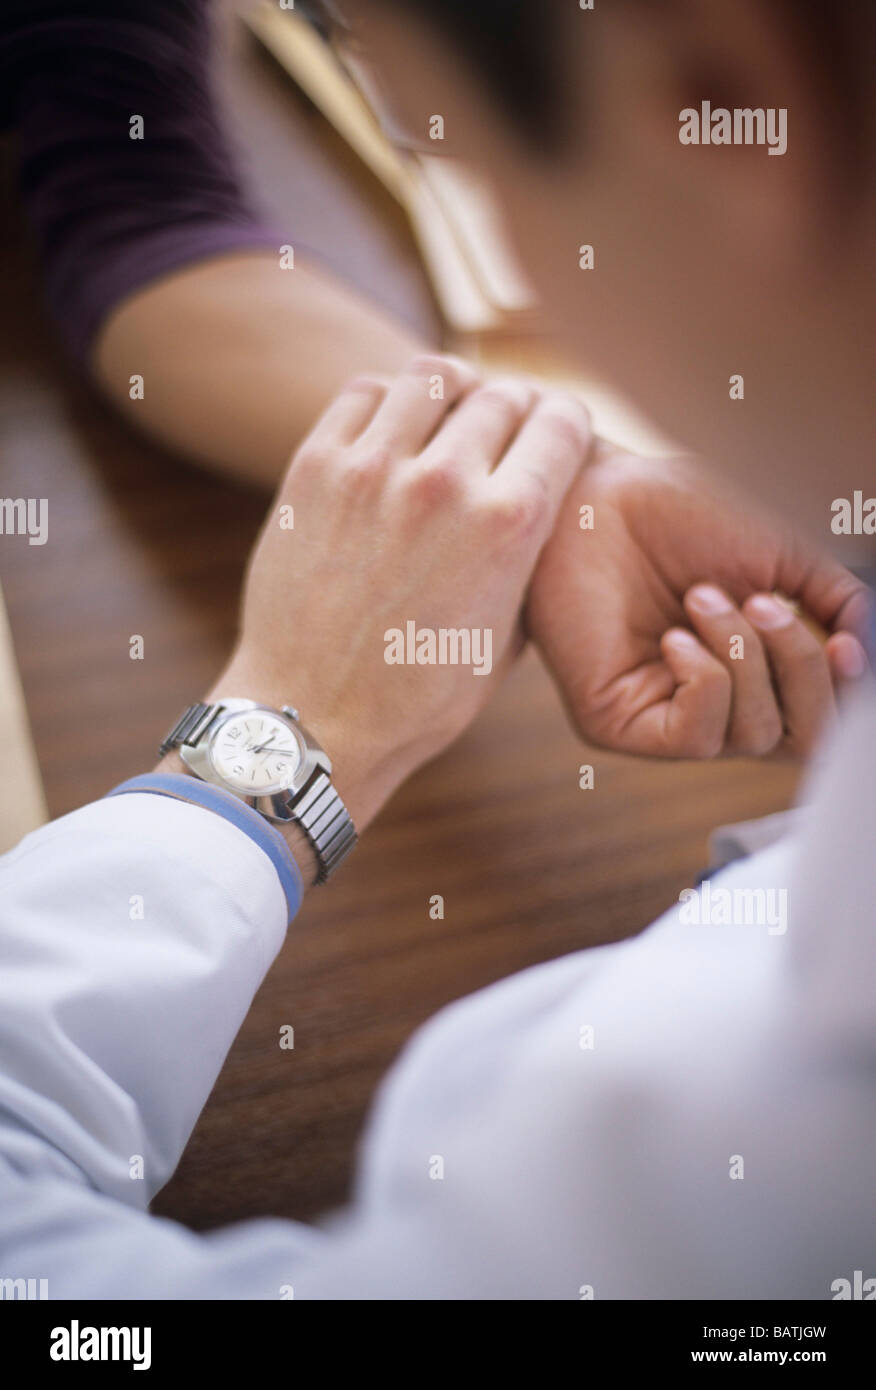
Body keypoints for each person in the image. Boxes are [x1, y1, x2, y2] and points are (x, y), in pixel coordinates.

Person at [0, 0, 873, 1299]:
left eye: (435, 143)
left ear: (723, 84)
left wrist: (284, 740)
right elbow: (148, 221)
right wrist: (550, 475)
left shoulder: (722, 1162)